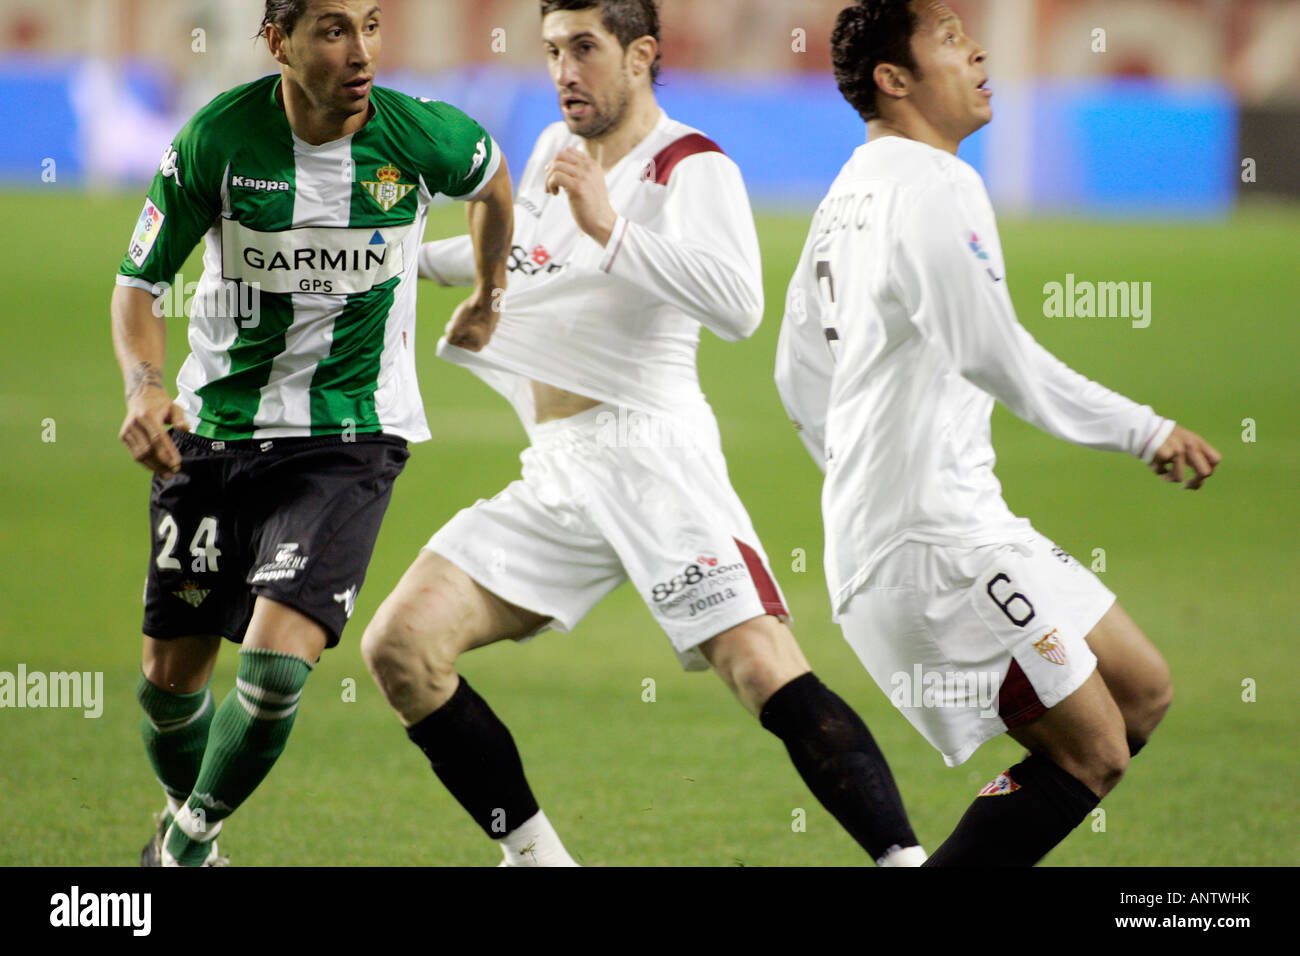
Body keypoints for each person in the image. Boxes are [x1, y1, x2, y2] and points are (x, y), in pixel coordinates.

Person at [361, 0, 924, 867]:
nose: (563, 70)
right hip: (558, 471)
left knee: (762, 670)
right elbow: (521, 257)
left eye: (584, 48)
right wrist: (387, 260)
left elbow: (739, 306)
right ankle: (540, 862)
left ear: (641, 56)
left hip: (655, 458)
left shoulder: (692, 166)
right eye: (552, 50)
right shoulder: (554, 152)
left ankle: (906, 863)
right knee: (400, 647)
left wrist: (611, 227)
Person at [775, 0, 1222, 866]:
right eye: (948, 38)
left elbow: (797, 377)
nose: (977, 49)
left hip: (942, 524)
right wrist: (1142, 428)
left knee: (1138, 692)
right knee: (1093, 754)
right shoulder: (937, 185)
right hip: (934, 543)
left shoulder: (847, 195)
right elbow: (992, 353)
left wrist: (862, 479)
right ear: (893, 80)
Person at [113, 0, 513, 866]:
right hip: (215, 433)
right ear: (278, 42)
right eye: (334, 30)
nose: (361, 51)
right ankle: (201, 841)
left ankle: (176, 854)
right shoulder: (216, 142)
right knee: (170, 685)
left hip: (349, 436)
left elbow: (491, 180)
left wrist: (488, 289)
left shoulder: (420, 136)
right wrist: (145, 390)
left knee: (274, 670)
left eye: (370, 25)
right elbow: (138, 286)